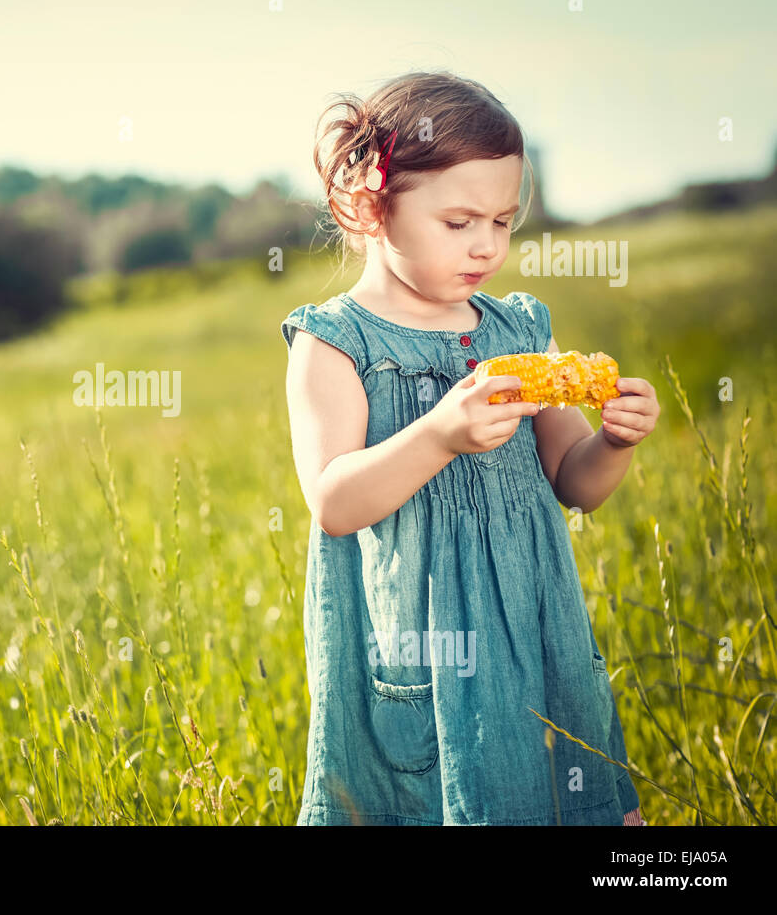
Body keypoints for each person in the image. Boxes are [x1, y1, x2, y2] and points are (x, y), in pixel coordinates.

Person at [280, 71, 660, 825]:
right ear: (370, 204)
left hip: (537, 628)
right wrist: (439, 435)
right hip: (423, 652)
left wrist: (615, 443)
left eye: (503, 221)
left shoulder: (519, 328)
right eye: (458, 223)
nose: (486, 245)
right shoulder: (336, 343)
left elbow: (573, 480)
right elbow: (333, 503)